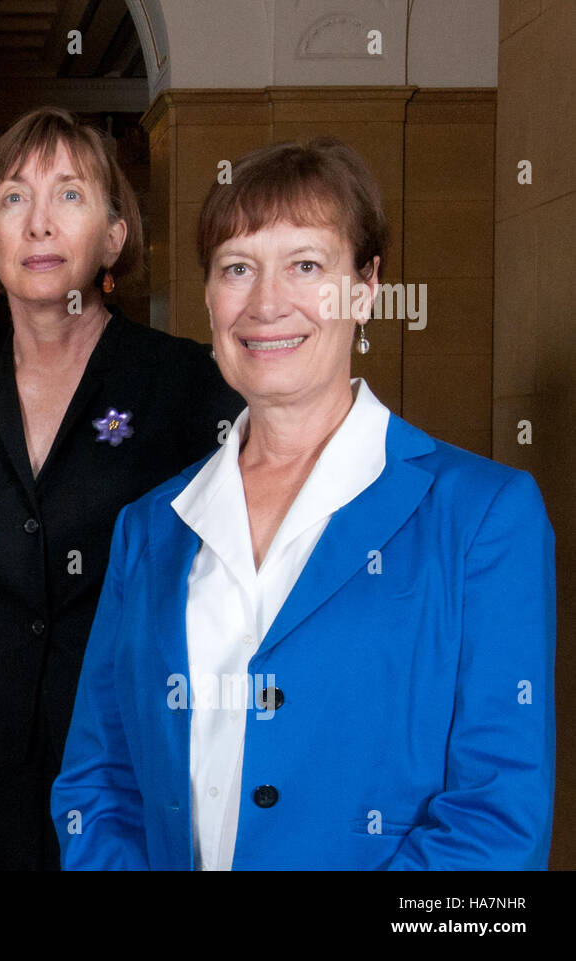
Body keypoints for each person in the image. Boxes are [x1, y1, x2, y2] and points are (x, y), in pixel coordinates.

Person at [52, 137, 556, 869]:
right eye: (237, 268)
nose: (266, 303)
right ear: (210, 297)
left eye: (307, 266)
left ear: (367, 286)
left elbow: (499, 823)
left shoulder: (484, 517)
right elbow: (97, 781)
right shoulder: (150, 527)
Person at [0, 106, 243, 870]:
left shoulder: (192, 387)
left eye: (69, 195)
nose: (39, 224)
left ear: (114, 236)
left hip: (137, 762)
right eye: (14, 198)